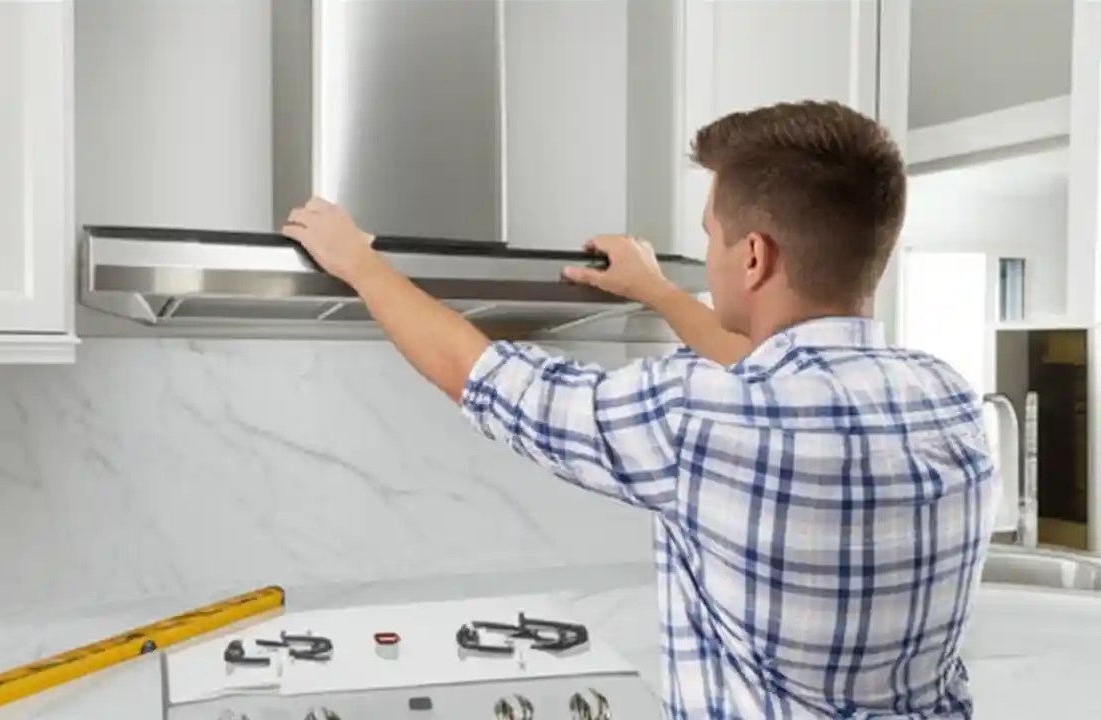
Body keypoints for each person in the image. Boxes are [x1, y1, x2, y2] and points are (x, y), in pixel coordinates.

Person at [281, 100, 996, 719]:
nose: (708, 258)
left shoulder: (697, 419)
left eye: (711, 235)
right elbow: (767, 370)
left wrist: (357, 262)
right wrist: (657, 290)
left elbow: (475, 372)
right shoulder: (950, 401)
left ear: (753, 257)